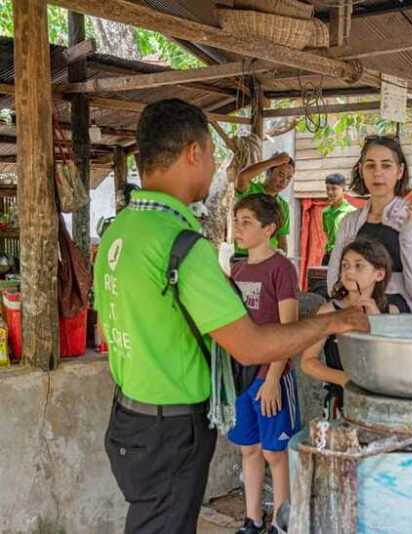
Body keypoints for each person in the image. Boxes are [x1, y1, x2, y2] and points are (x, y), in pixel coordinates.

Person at [93, 98, 367, 534]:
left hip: (129, 420)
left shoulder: (118, 232)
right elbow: (251, 346)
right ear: (193, 152)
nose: (213, 166)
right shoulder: (181, 244)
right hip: (171, 428)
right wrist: (335, 321)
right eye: (212, 154)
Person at [227, 193, 300, 534]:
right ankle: (252, 519)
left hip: (271, 373)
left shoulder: (282, 268)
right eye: (237, 220)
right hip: (240, 375)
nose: (238, 228)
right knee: (249, 448)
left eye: (247, 222)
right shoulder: (236, 268)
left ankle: (280, 524)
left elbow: (289, 329)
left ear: (269, 228)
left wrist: (272, 378)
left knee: (276, 452)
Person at [326, 135, 412, 313]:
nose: (377, 173)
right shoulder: (350, 223)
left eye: (386, 165)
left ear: (400, 171)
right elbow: (333, 284)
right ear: (361, 170)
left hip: (400, 316)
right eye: (370, 165)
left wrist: (408, 235)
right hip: (356, 311)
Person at [301, 237, 399, 419]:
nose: (349, 271)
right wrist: (346, 380)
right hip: (340, 401)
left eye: (359, 266)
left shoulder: (390, 311)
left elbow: (395, 358)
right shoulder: (329, 311)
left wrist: (375, 319)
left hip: (381, 401)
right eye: (345, 265)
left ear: (379, 274)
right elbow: (308, 362)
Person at [235, 151, 295, 254]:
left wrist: (283, 260)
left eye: (288, 178)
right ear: (269, 172)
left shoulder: (283, 205)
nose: (284, 181)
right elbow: (242, 177)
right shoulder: (250, 191)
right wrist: (273, 161)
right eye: (280, 175)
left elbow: (282, 238)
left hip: (269, 259)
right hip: (245, 258)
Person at [321, 172, 357, 265]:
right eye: (327, 188)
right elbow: (328, 235)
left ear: (343, 189)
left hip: (344, 257)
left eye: (334, 189)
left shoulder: (351, 212)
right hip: (328, 256)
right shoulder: (326, 212)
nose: (330, 192)